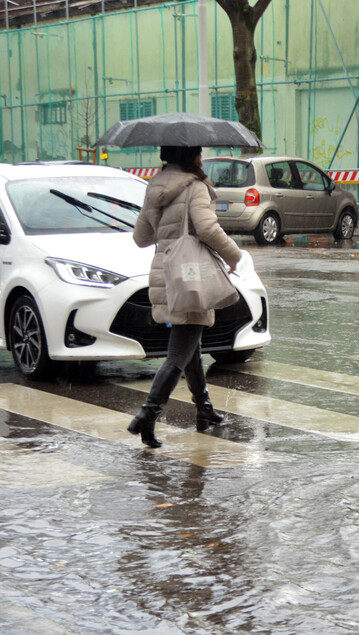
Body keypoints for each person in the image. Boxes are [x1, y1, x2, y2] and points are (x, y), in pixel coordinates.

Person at [129, 145, 243, 448]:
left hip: (166, 274)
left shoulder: (155, 187)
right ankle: (147, 415)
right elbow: (207, 228)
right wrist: (234, 256)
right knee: (178, 354)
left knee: (191, 344)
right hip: (190, 276)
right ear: (191, 156)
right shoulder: (195, 187)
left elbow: (141, 238)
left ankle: (204, 409)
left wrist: (166, 224)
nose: (202, 159)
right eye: (199, 154)